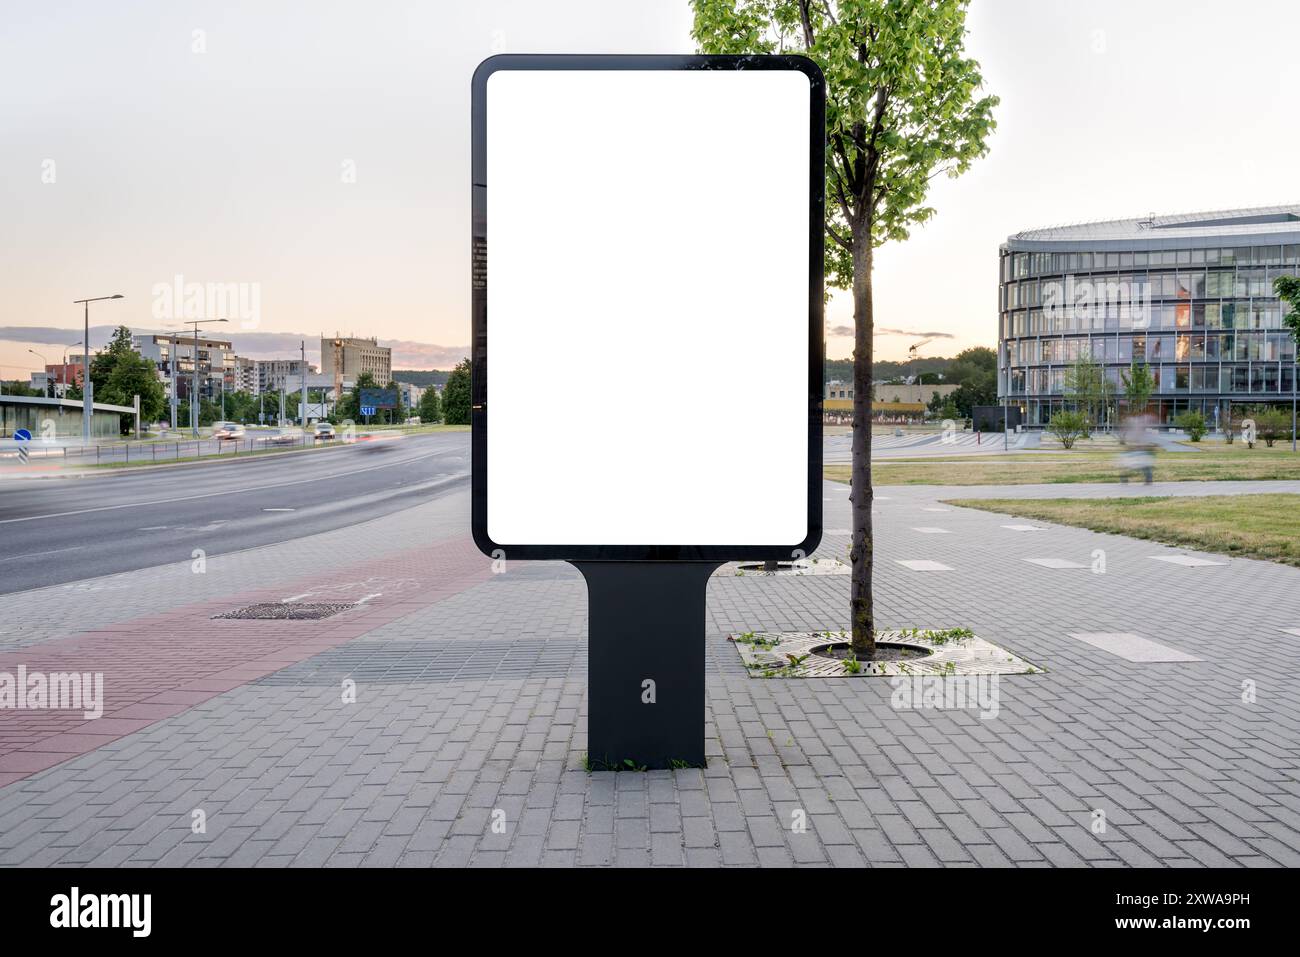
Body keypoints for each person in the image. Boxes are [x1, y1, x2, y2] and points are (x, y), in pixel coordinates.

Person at [1117, 414, 1155, 484]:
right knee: (1141, 465)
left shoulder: (1136, 424)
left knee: (1142, 465)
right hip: (1137, 450)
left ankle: (1148, 479)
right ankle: (1148, 479)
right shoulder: (1135, 424)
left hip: (1139, 450)